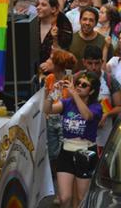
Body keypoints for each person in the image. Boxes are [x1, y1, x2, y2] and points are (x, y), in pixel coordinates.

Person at [43, 71, 102, 208]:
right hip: (67, 151)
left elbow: (87, 116)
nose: (79, 86)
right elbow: (47, 109)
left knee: (81, 198)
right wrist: (51, 95)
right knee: (64, 198)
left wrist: (74, 94)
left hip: (86, 153)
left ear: (91, 91)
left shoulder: (96, 107)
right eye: (77, 83)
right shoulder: (67, 103)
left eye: (84, 85)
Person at [79, 45, 121, 151]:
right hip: (80, 139)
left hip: (104, 139)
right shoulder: (77, 80)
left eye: (97, 63)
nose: (94, 67)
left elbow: (120, 107)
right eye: (90, 63)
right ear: (84, 62)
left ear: (102, 62)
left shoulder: (110, 80)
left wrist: (106, 114)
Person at [37, 0, 72, 64]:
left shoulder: (63, 27)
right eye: (38, 4)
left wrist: (55, 38)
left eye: (43, 5)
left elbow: (62, 53)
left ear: (53, 9)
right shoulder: (33, 25)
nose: (38, 7)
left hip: (55, 68)